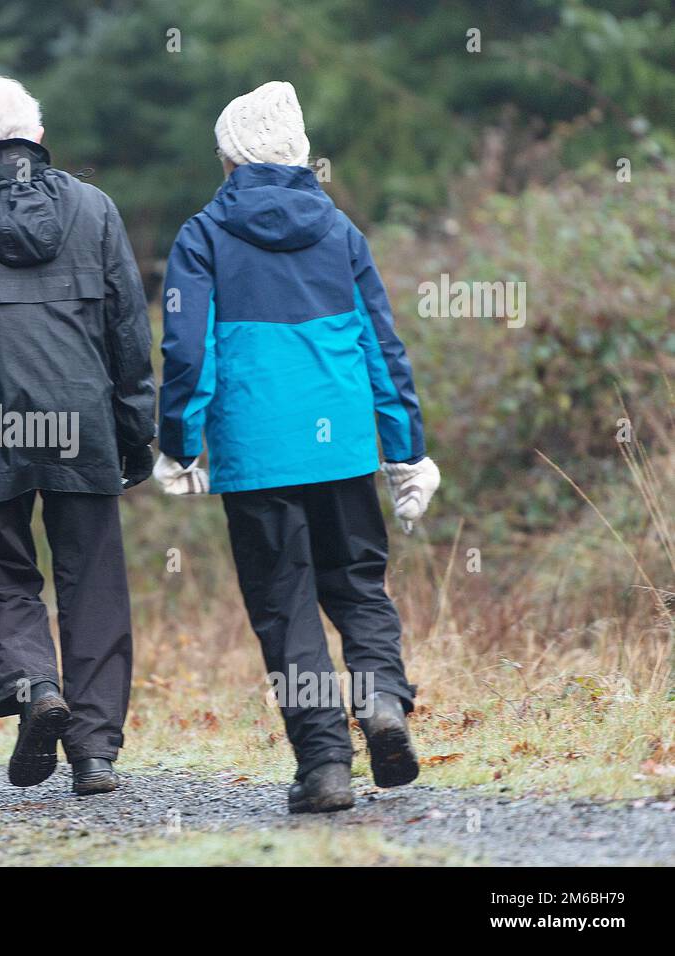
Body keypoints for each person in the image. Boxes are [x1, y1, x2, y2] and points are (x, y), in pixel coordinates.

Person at [155, 81, 441, 813]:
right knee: (357, 586)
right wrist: (406, 450)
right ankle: (380, 701)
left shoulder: (202, 235)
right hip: (342, 447)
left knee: (284, 606)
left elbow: (188, 350)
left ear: (231, 158)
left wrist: (180, 444)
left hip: (257, 456)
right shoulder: (342, 233)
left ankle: (324, 768)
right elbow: (384, 348)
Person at [0, 75, 156, 795]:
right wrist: (138, 427)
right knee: (94, 580)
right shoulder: (95, 209)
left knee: (6, 572)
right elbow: (127, 333)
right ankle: (96, 753)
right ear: (37, 136)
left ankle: (38, 685)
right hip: (84, 418)